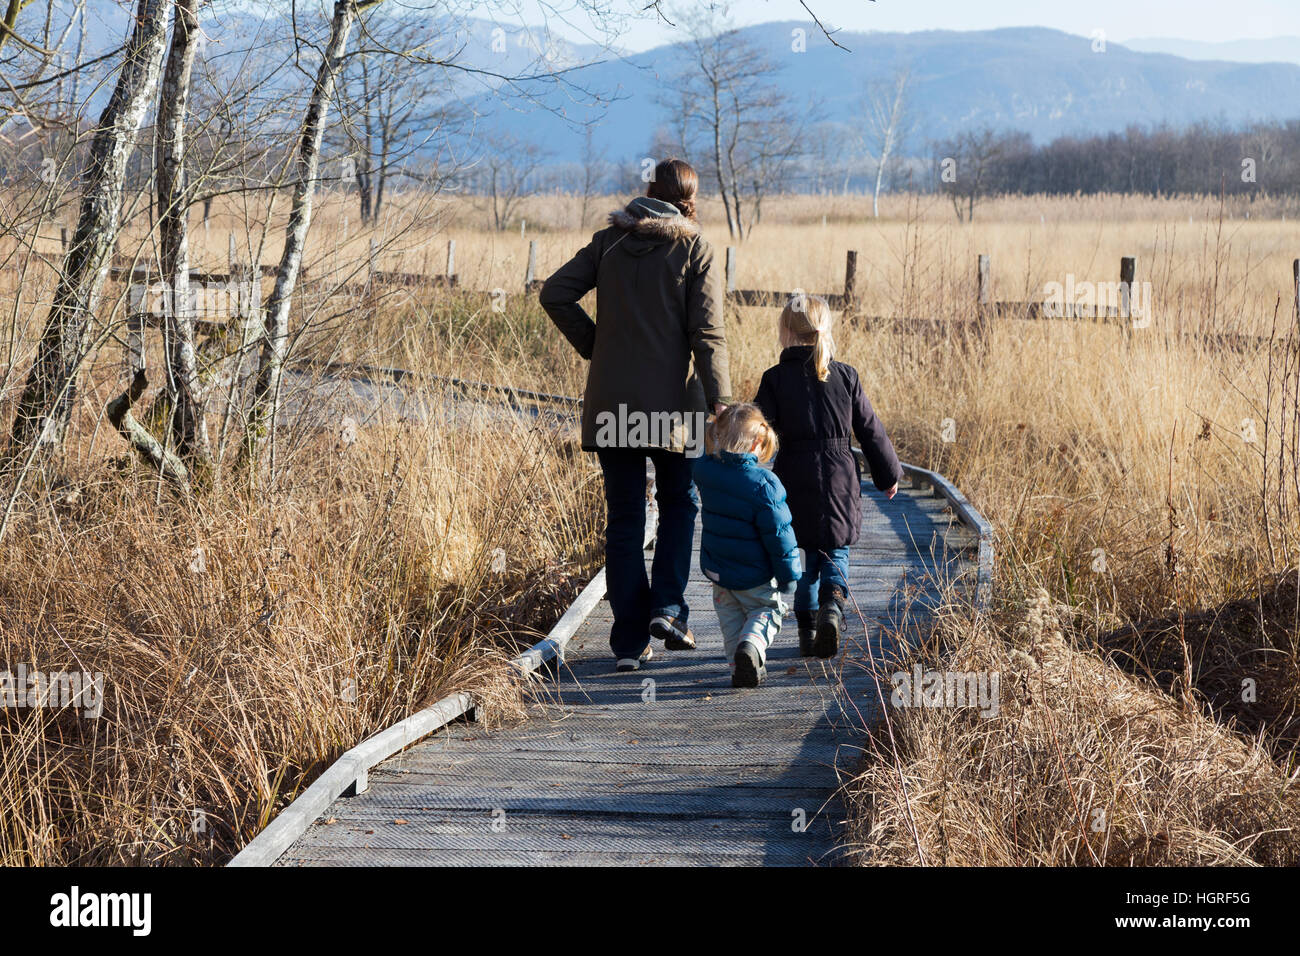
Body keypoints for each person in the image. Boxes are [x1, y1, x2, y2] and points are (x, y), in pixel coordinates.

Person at [539, 158, 731, 673]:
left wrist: (595, 345)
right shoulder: (694, 247)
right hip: (674, 410)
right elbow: (706, 335)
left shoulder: (610, 243)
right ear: (691, 199)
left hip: (612, 406)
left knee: (624, 518)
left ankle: (627, 642)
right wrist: (721, 401)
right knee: (678, 504)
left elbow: (554, 293)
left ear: (648, 192)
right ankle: (667, 609)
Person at [755, 294, 903, 659]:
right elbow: (870, 429)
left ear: (785, 333)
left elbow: (758, 429)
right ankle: (832, 609)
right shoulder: (846, 376)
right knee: (836, 550)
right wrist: (888, 474)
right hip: (840, 479)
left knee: (803, 556)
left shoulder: (774, 379)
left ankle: (806, 633)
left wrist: (739, 462)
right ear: (825, 330)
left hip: (793, 477)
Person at [692, 404, 801, 688]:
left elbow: (702, 454)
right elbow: (780, 536)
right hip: (755, 576)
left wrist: (714, 431)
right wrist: (789, 575)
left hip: (719, 571)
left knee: (730, 621)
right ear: (757, 443)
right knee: (767, 611)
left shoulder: (704, 470)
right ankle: (751, 647)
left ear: (717, 435)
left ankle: (738, 669)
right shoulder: (764, 484)